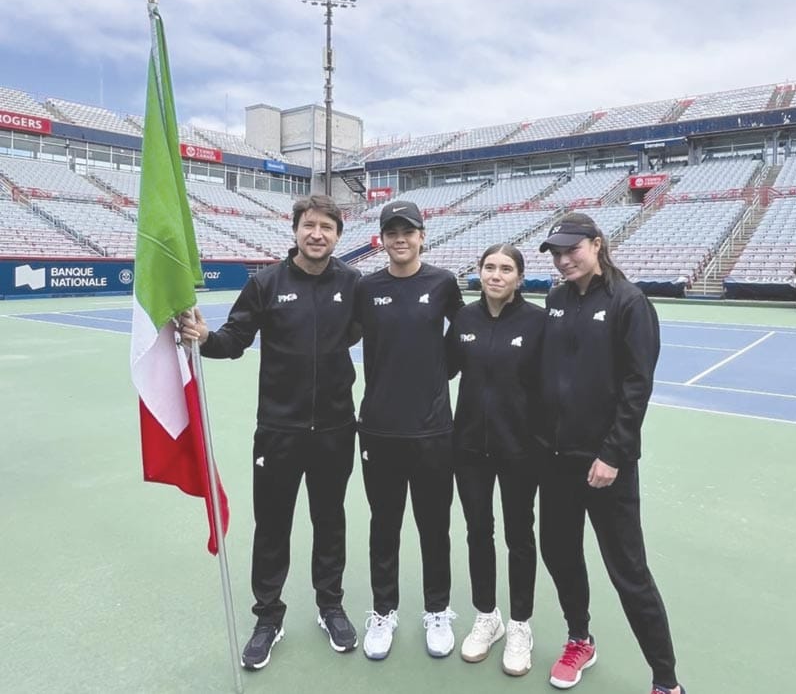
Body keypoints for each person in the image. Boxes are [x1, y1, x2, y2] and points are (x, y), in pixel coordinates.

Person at [179, 195, 361, 670]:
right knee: (273, 526)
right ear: (295, 229)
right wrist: (206, 338)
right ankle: (268, 617)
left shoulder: (353, 283)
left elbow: (369, 335)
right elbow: (234, 339)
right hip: (279, 430)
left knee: (330, 520)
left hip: (338, 429)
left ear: (338, 234)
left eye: (326, 226)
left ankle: (330, 606)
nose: (317, 233)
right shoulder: (265, 283)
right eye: (309, 225)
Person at [535, 212, 686, 694]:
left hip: (606, 465)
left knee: (629, 572)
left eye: (571, 250)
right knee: (559, 553)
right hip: (554, 460)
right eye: (556, 254)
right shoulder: (556, 298)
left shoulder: (629, 302)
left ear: (597, 245)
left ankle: (666, 681)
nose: (563, 261)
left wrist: (614, 455)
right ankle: (580, 639)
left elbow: (637, 386)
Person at [355, 201, 464, 660]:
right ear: (382, 239)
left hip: (433, 432)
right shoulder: (366, 287)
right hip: (378, 430)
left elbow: (463, 342)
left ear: (423, 235)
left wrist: (434, 384)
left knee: (434, 526)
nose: (400, 239)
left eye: (408, 231)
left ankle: (437, 610)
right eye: (392, 232)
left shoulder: (443, 284)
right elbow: (337, 335)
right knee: (384, 526)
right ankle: (383, 611)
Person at [446, 243, 545, 676]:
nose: (496, 275)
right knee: (477, 532)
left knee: (520, 536)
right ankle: (487, 616)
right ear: (480, 273)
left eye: (506, 269)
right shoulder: (464, 319)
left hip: (520, 450)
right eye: (490, 267)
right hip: (468, 448)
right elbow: (441, 370)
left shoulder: (538, 322)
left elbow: (552, 386)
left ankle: (521, 624)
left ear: (519, 278)